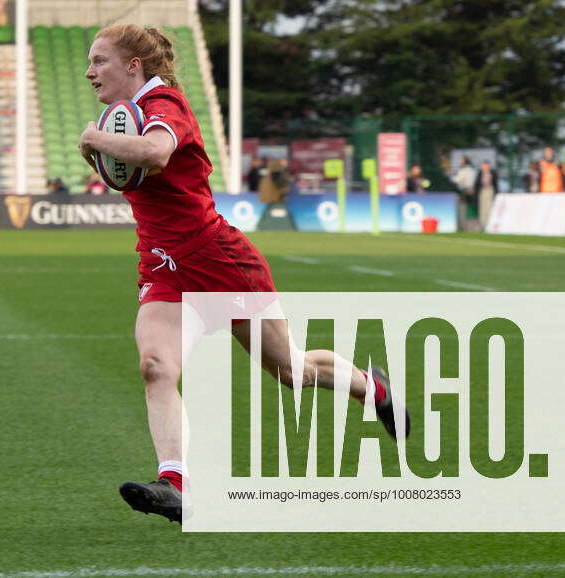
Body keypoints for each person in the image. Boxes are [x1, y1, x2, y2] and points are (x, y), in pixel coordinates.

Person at [77, 25, 409, 524]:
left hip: (218, 260)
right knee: (155, 367)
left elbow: (156, 153)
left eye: (100, 60)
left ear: (133, 66)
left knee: (289, 371)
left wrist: (93, 140)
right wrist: (102, 145)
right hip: (163, 265)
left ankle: (372, 387)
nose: (90, 71)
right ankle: (175, 484)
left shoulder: (166, 104)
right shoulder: (122, 117)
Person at [474, 161, 498, 225]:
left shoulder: (492, 173)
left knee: (489, 206)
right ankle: (483, 223)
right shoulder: (480, 173)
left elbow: (495, 183)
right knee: (482, 208)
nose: (485, 167)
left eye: (486, 165)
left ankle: (490, 223)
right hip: (482, 191)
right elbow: (476, 184)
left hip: (490, 190)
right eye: (484, 165)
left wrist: (496, 192)